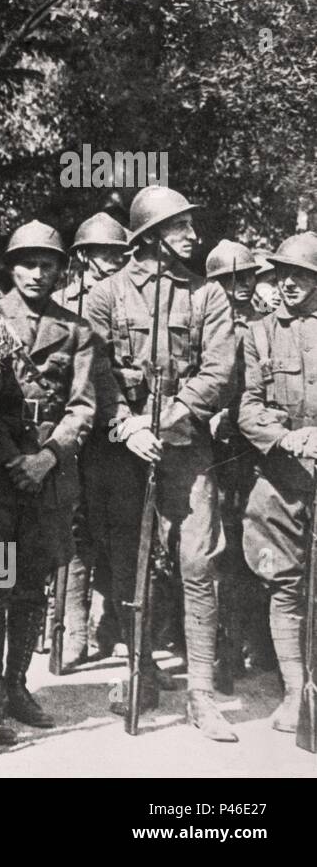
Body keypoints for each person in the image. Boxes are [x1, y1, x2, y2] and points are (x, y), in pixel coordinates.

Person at [83, 185, 237, 741]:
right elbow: (94, 371)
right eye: (181, 228)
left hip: (186, 448)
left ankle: (200, 693)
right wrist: (125, 425)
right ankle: (139, 668)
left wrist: (165, 421)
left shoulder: (209, 297)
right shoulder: (105, 295)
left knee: (198, 561)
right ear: (149, 236)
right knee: (128, 563)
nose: (194, 237)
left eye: (193, 226)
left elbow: (219, 371)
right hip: (121, 452)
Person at [0, 222, 96, 727]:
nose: (38, 273)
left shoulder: (79, 330)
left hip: (48, 471)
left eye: (48, 264)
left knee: (31, 582)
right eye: (27, 262)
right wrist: (9, 456)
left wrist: (47, 457)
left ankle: (17, 685)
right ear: (10, 266)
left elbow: (83, 407)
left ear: (60, 270)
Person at [236, 232, 317, 732]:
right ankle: (295, 692)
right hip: (283, 478)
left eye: (302, 275)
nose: (289, 282)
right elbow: (248, 406)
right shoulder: (260, 332)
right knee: (284, 586)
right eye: (283, 273)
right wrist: (289, 439)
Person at [52, 212, 128, 667]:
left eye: (119, 253)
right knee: (70, 528)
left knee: (112, 527)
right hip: (65, 427)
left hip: (109, 430)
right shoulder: (59, 301)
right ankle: (68, 631)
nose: (113, 261)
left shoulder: (126, 300)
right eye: (103, 253)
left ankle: (111, 627)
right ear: (82, 256)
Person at [204, 240, 274, 689]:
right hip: (215, 450)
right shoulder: (205, 325)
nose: (242, 286)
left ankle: (258, 645)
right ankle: (219, 653)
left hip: (255, 451)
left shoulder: (266, 326)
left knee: (256, 551)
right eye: (231, 280)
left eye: (248, 277)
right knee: (217, 554)